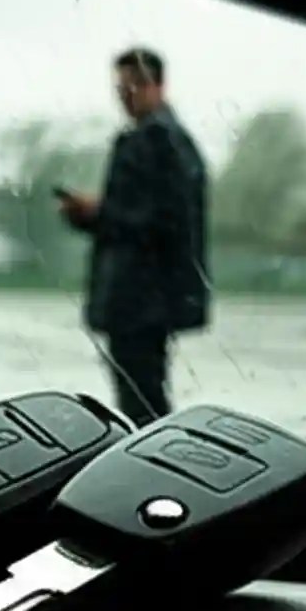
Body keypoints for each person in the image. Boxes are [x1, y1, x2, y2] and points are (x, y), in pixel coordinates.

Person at [58, 47, 210, 427]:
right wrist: (95, 215)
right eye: (121, 88)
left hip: (143, 299)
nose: (126, 96)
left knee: (142, 402)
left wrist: (97, 213)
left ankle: (156, 458)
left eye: (135, 85)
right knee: (141, 396)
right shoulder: (155, 139)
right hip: (144, 298)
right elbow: (147, 216)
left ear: (158, 86)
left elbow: (165, 221)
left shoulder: (158, 140)